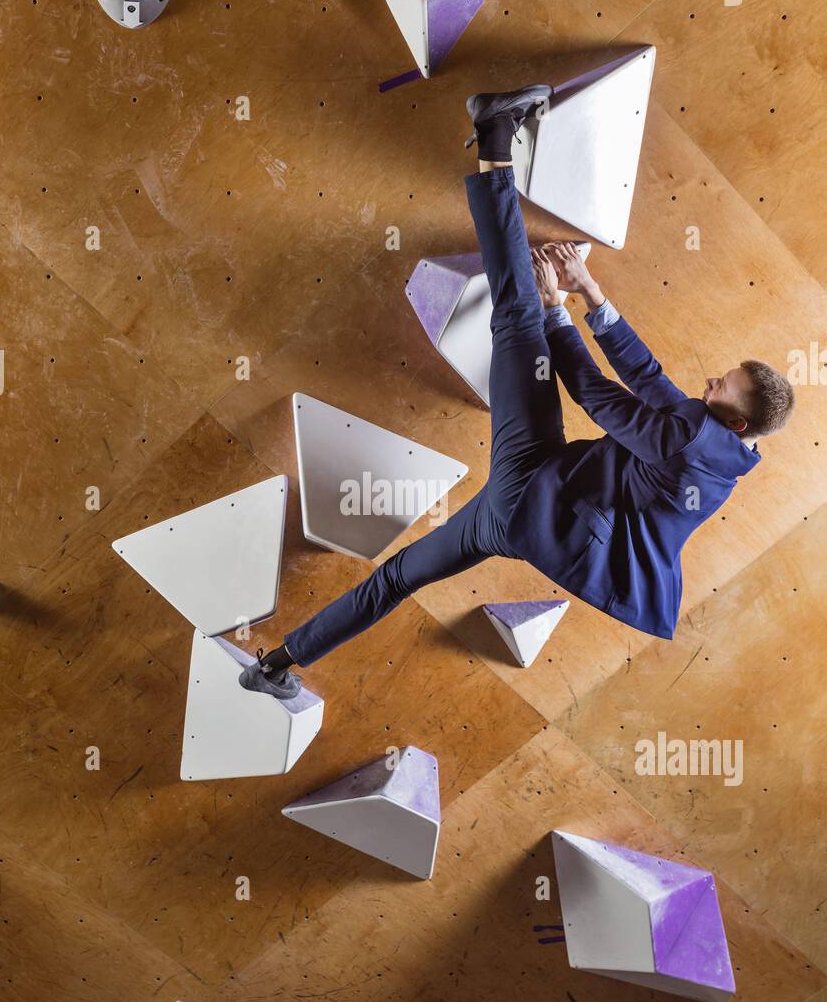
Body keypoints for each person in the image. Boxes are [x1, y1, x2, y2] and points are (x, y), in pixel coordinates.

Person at [248, 87, 795, 698]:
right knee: (398, 579)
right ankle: (274, 666)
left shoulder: (689, 442)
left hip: (532, 483)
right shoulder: (722, 453)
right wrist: (591, 290)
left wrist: (558, 311)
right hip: (524, 526)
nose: (713, 380)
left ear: (739, 422)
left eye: (726, 386)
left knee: (519, 309)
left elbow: (596, 395)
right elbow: (649, 379)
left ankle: (495, 135)